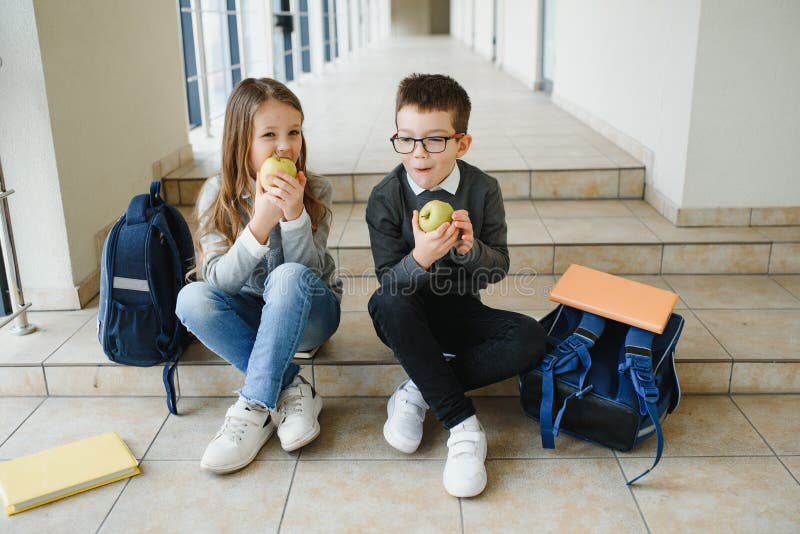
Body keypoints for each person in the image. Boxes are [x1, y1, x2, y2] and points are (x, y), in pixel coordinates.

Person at [366, 73, 547, 497]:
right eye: (406, 139)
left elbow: (498, 268)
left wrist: (470, 251)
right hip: (407, 317)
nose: (418, 153)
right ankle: (464, 428)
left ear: (461, 143)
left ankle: (419, 387)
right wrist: (422, 257)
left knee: (530, 338)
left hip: (461, 312)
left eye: (434, 140)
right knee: (386, 301)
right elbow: (389, 283)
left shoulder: (483, 190)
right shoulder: (385, 197)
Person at [176, 78, 342, 474]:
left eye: (293, 133)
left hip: (311, 317)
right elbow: (219, 283)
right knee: (190, 298)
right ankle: (290, 387)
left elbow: (310, 274)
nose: (285, 146)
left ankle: (253, 406)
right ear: (241, 141)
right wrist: (259, 226)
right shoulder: (216, 194)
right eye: (269, 135)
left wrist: (295, 215)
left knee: (288, 275)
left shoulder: (316, 188)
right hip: (254, 313)